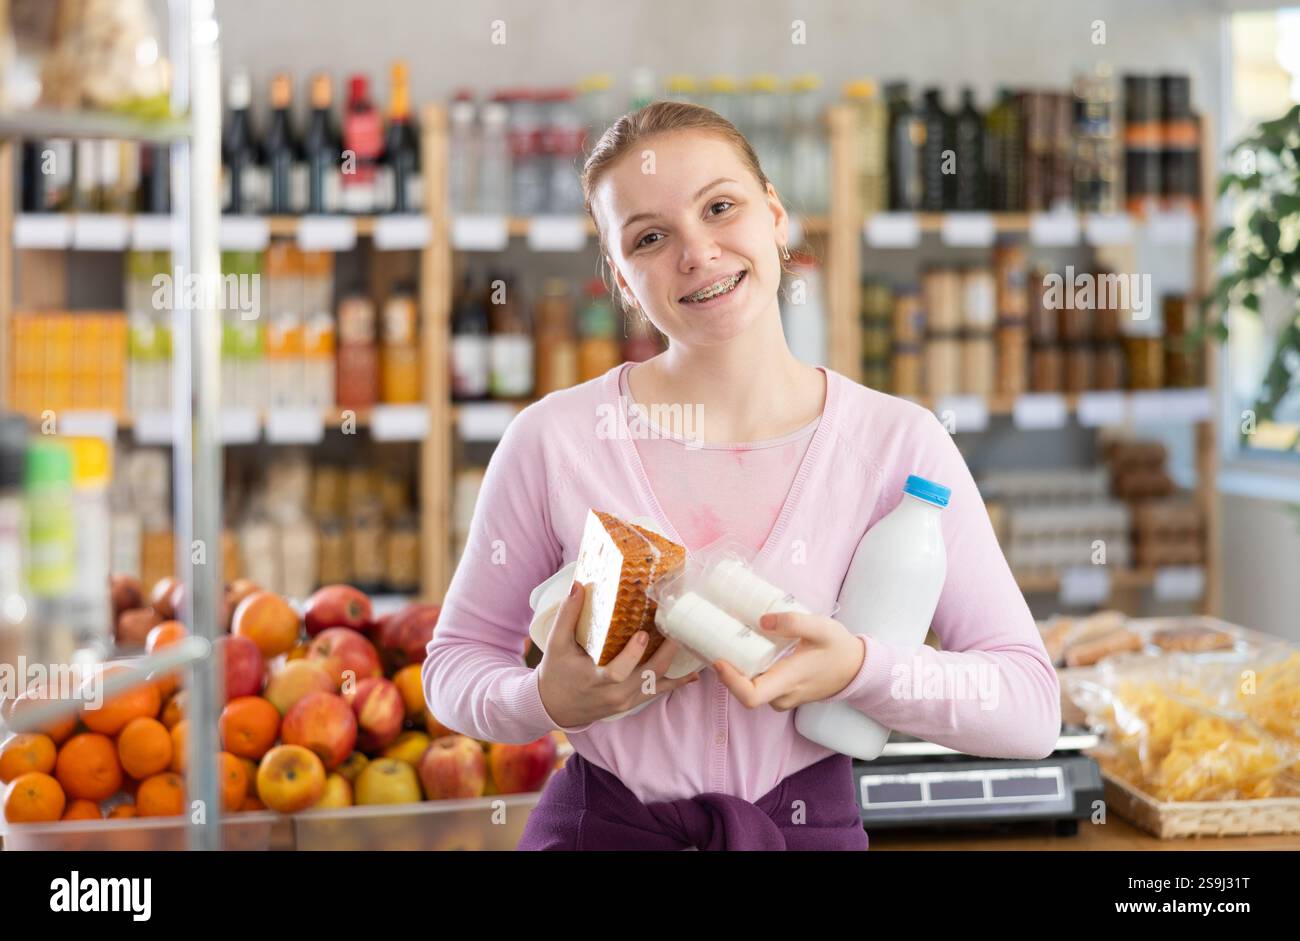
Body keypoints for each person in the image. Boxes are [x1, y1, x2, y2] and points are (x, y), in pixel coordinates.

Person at [423, 101, 1060, 850]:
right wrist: (541, 697)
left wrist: (859, 668)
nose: (697, 251)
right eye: (650, 237)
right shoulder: (553, 439)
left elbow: (1028, 707)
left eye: (720, 207)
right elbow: (454, 666)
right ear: (624, 283)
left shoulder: (899, 445)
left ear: (778, 218)